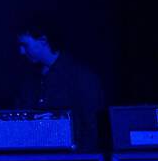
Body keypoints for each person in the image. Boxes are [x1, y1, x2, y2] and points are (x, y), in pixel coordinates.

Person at [15, 16, 105, 150]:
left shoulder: (81, 77)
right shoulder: (28, 80)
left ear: (43, 41)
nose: (21, 52)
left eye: (25, 45)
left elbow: (91, 129)